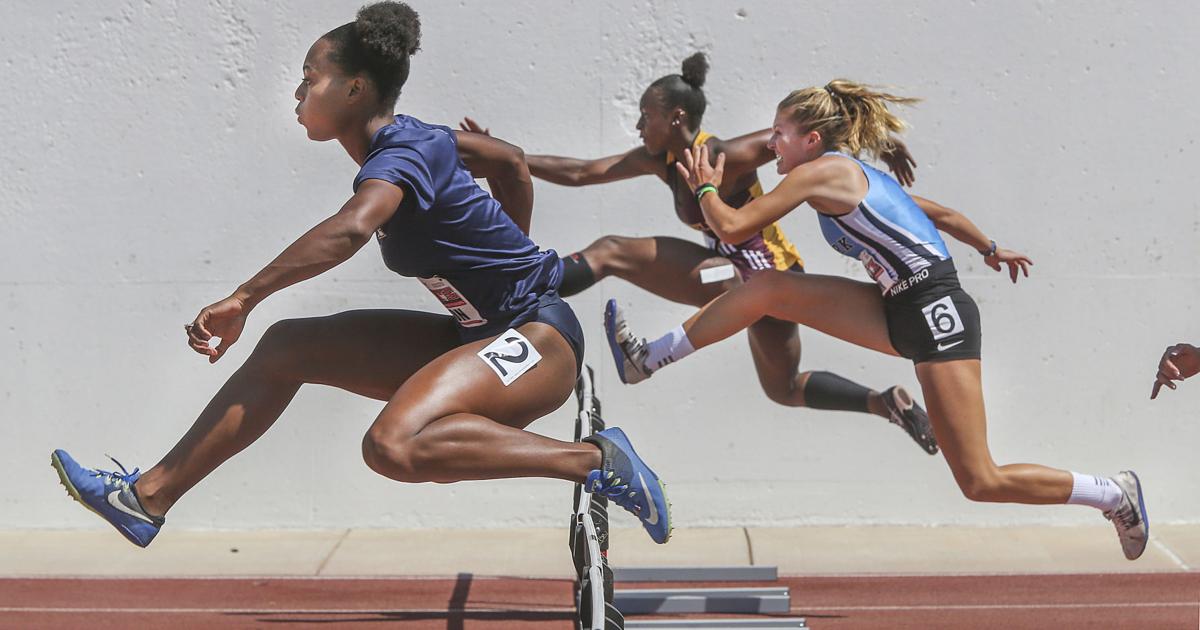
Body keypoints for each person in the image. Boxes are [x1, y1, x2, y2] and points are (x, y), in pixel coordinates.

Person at [50, 1, 671, 548]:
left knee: (391, 446)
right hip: (479, 336)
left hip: (538, 340)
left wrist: (245, 295)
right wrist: (511, 245)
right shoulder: (421, 140)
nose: (296, 94)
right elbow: (508, 161)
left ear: (354, 88)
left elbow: (352, 228)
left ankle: (595, 459)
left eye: (308, 78)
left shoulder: (402, 155)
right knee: (289, 347)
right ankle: (145, 499)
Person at [605, 79, 1148, 560]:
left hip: (935, 312)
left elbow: (732, 226)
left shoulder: (819, 174)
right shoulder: (852, 175)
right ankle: (646, 359)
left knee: (980, 480)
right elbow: (941, 214)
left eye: (779, 133)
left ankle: (1112, 493)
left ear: (811, 140)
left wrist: (703, 185)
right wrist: (991, 247)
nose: (770, 145)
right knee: (766, 287)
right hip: (894, 303)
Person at [462, 54, 938, 455]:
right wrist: (506, 158)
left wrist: (884, 143)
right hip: (727, 276)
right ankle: (884, 402)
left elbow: (810, 134)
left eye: (645, 116)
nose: (637, 125)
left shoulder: (729, 153)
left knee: (617, 254)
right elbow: (584, 172)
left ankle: (546, 306)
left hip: (770, 280)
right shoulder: (659, 159)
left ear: (676, 119)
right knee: (783, 387)